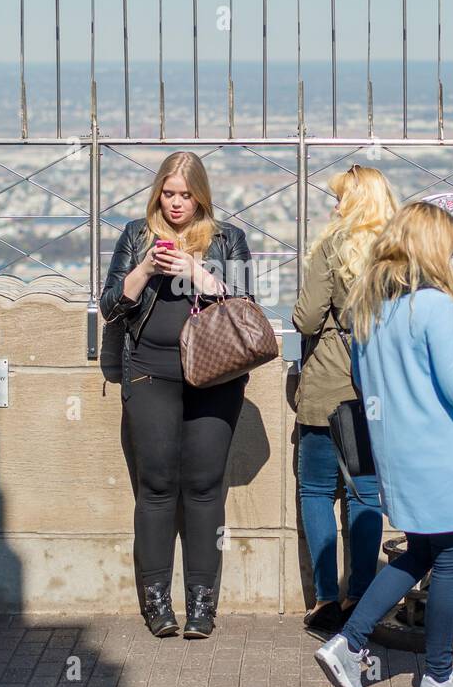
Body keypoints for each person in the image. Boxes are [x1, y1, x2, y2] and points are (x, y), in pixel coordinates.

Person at [315, 201, 453, 687]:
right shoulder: (431, 305)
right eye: (449, 247)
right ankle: (438, 678)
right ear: (431, 248)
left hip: (396, 454)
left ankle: (349, 642)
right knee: (449, 558)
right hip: (436, 455)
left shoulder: (369, 306)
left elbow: (367, 383)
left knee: (421, 552)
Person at [100, 152, 254, 639]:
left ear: (201, 196)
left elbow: (248, 307)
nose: (177, 204)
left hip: (214, 377)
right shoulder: (135, 235)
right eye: (169, 194)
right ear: (157, 194)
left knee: (206, 488)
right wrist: (145, 268)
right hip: (150, 373)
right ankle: (157, 602)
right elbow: (109, 306)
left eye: (186, 195)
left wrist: (197, 272)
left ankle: (203, 605)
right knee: (157, 486)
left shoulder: (229, 239)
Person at [292, 165, 397, 636]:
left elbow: (307, 318)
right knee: (364, 493)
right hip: (377, 393)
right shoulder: (400, 255)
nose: (333, 207)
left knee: (317, 490)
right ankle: (363, 596)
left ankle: (325, 601)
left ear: (353, 204)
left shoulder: (332, 248)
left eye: (339, 199)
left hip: (329, 386)